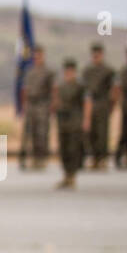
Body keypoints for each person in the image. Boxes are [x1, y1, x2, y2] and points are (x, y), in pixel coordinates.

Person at [82, 43, 116, 169]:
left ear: (102, 54)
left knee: (102, 132)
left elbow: (114, 88)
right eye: (94, 54)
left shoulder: (108, 71)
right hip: (91, 103)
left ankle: (102, 158)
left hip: (103, 102)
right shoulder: (87, 71)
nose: (96, 56)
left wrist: (112, 104)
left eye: (98, 54)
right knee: (91, 132)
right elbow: (85, 90)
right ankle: (94, 157)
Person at [55, 59, 86, 190]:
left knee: (73, 148)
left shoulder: (80, 86)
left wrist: (86, 120)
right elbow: (57, 102)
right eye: (66, 71)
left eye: (71, 71)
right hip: (63, 121)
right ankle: (66, 175)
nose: (68, 74)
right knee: (63, 149)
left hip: (75, 120)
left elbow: (86, 102)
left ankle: (72, 176)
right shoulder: (61, 86)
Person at [20, 46, 53, 169]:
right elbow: (25, 89)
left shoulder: (48, 72)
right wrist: (24, 105)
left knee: (41, 133)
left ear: (43, 56)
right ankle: (29, 158)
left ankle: (41, 159)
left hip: (42, 104)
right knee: (30, 132)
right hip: (31, 104)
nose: (37, 57)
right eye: (35, 55)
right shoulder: (29, 71)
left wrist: (52, 106)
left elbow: (53, 90)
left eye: (39, 55)